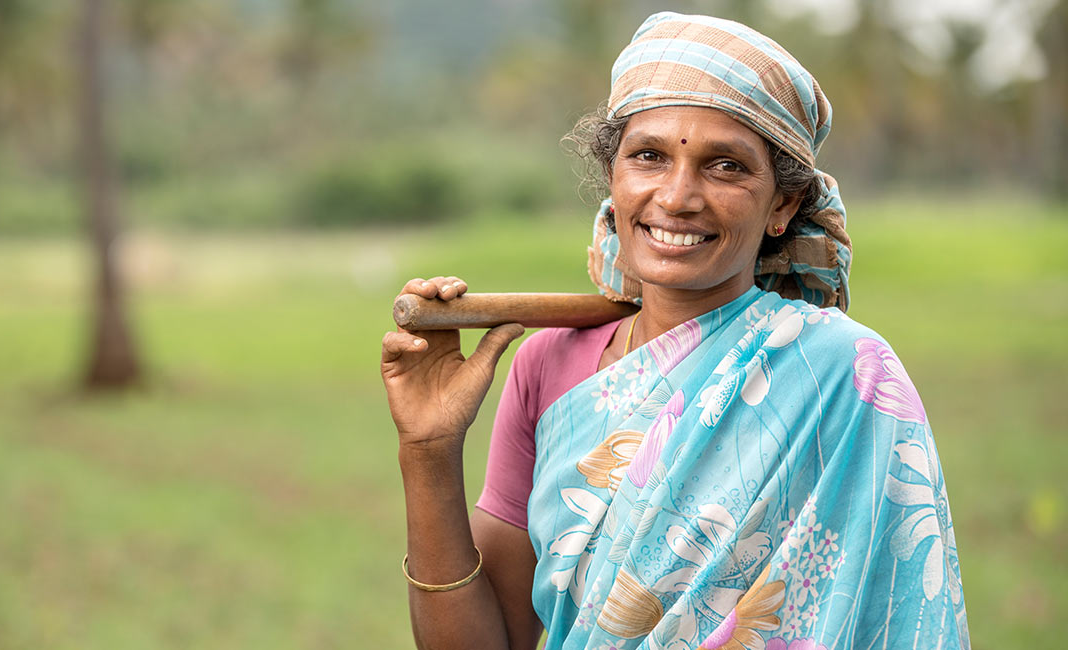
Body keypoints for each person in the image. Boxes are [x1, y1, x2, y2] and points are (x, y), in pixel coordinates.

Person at [380, 12, 968, 650]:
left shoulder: (845, 375)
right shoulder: (546, 363)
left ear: (783, 204)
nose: (678, 196)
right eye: (649, 156)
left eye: (725, 167)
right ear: (614, 176)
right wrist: (429, 452)